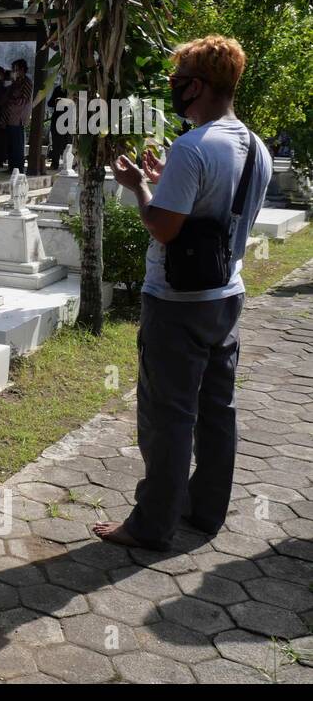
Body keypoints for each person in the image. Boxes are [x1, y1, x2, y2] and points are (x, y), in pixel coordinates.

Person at [95, 35, 272, 552]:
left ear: (197, 85)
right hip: (226, 295)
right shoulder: (253, 145)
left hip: (177, 304)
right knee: (218, 408)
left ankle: (152, 524)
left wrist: (140, 187)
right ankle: (205, 509)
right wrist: (166, 181)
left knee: (167, 414)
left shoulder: (194, 147)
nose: (173, 89)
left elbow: (164, 227)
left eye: (177, 82)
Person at [1, 58, 32, 173]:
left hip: (18, 117)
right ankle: (11, 167)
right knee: (10, 144)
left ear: (22, 69)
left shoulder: (26, 82)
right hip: (8, 117)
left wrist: (11, 100)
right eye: (13, 69)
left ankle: (18, 168)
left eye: (16, 69)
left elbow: (24, 100)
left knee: (17, 145)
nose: (14, 71)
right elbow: (5, 93)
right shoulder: (13, 82)